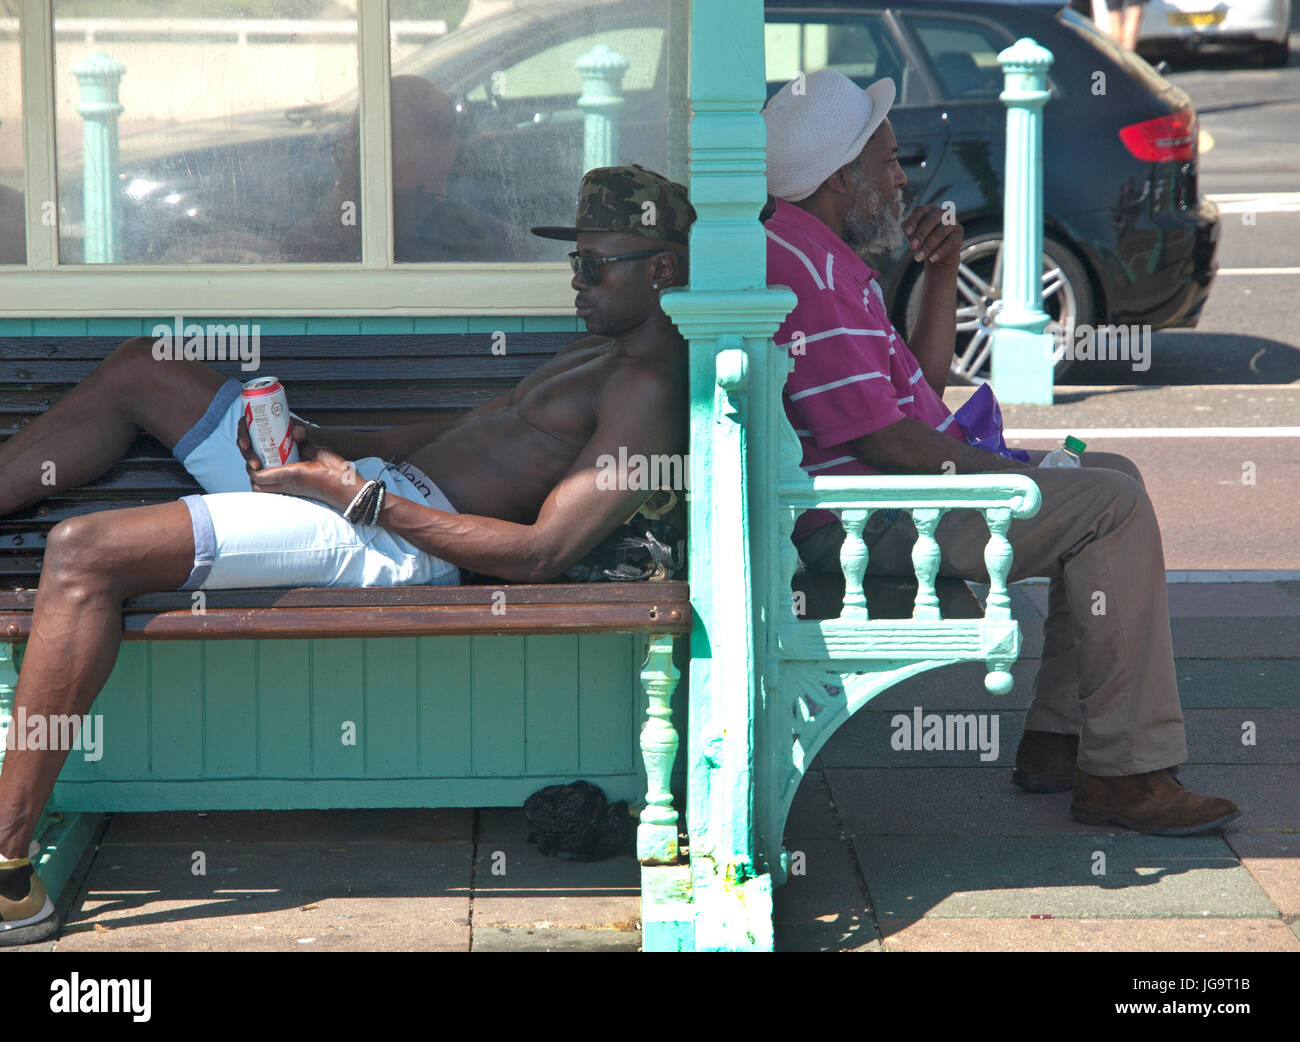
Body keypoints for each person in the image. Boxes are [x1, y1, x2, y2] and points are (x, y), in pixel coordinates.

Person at [0, 163, 695, 945]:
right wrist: (327, 450)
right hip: (368, 492)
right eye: (574, 261)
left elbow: (540, 553)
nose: (576, 280)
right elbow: (445, 440)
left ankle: (9, 872)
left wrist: (354, 496)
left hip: (397, 537)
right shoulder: (603, 352)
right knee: (144, 367)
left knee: (82, 552)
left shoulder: (655, 389)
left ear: (663, 269)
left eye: (593, 265)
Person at [762, 69, 1238, 836]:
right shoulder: (809, 272)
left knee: (1110, 475)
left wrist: (942, 272)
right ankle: (1127, 771)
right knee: (1109, 506)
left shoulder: (814, 254)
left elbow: (918, 390)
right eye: (886, 163)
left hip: (883, 500)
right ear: (839, 181)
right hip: (867, 521)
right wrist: (1010, 479)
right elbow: (887, 439)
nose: (900, 176)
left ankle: (1064, 740)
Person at [280, 75, 546, 263]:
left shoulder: (309, 245)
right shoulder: (503, 247)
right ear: (449, 150)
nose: (346, 162)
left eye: (354, 146)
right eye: (349, 147)